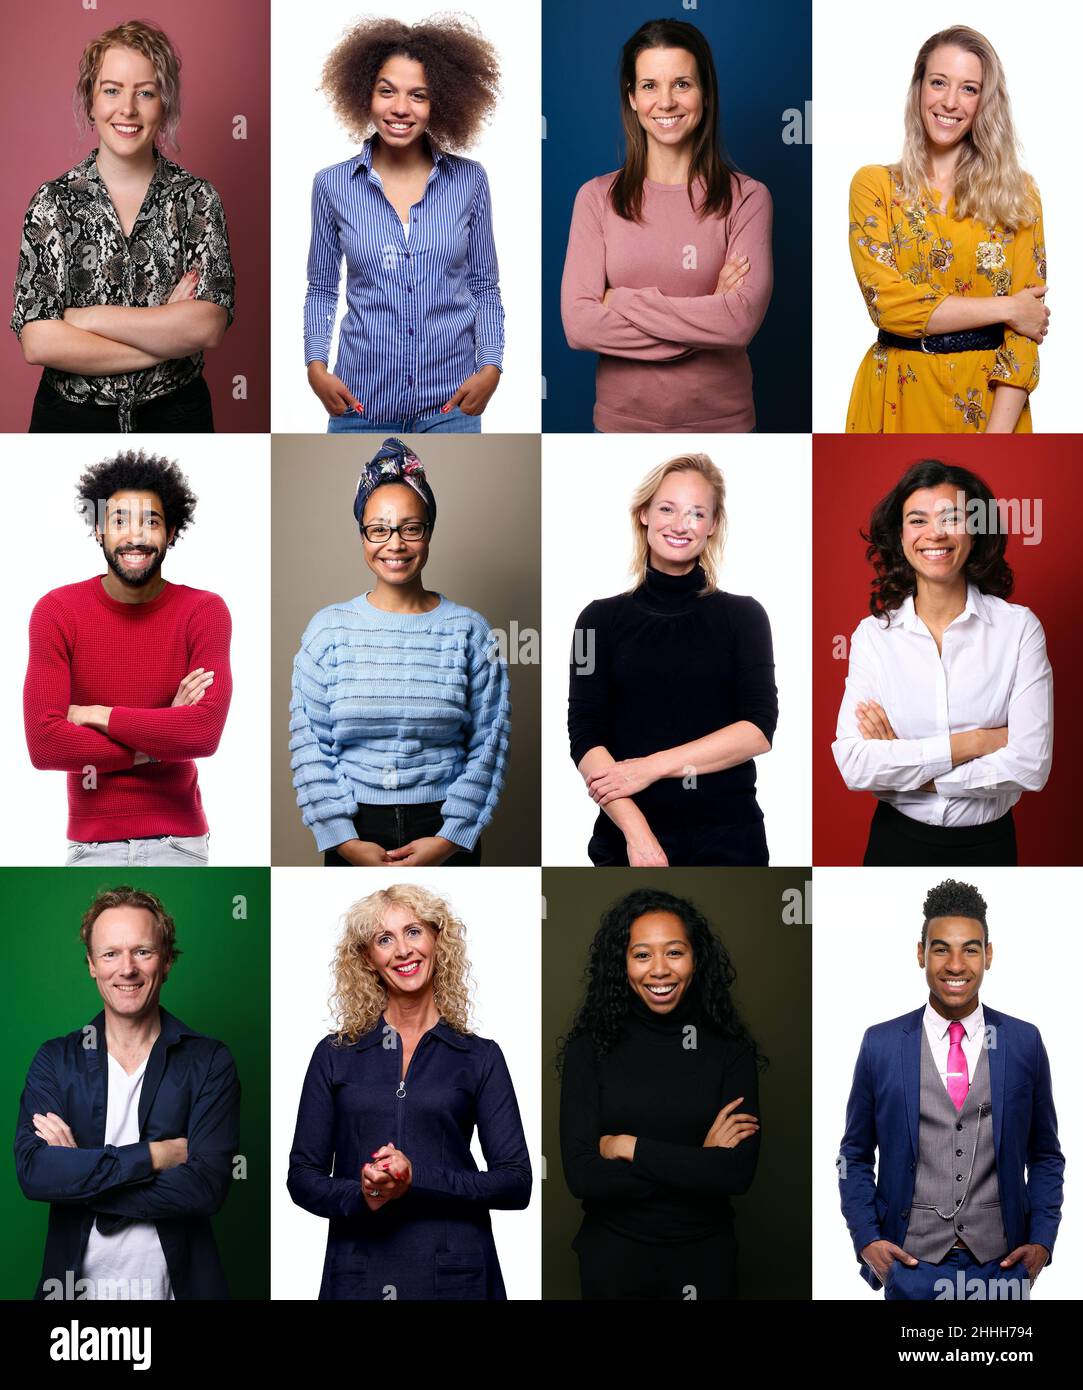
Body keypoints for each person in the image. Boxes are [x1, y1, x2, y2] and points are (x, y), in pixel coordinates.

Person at [287, 884, 532, 1300]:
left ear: (438, 940)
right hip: (358, 1272)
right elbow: (302, 1178)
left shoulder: (479, 1056)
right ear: (368, 959)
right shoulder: (334, 1055)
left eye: (414, 932)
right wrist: (362, 1192)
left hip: (456, 1276)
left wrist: (417, 1179)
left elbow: (516, 1183)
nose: (403, 950)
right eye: (384, 939)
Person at [837, 878, 1064, 1301]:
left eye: (971, 949)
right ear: (921, 953)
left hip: (1002, 1268)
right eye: (941, 948)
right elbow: (852, 1156)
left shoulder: (1023, 1042)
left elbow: (1046, 1155)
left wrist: (1043, 1242)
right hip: (910, 1266)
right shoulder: (881, 1044)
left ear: (989, 955)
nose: (955, 965)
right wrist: (866, 1238)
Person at [290, 437, 510, 866]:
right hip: (353, 828)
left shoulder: (470, 630)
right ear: (362, 535)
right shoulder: (327, 630)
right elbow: (310, 743)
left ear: (428, 533)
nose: (395, 543)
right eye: (379, 529)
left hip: (445, 826)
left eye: (411, 528)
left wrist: (451, 838)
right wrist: (342, 839)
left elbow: (490, 741)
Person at [14, 886, 241, 1300]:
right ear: (91, 965)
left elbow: (206, 1188)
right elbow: (35, 1174)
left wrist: (79, 1176)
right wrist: (155, 1156)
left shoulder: (209, 1061)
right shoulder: (55, 1060)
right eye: (110, 954)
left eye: (143, 952)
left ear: (168, 960)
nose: (127, 969)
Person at [11, 20, 234, 433]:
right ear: (91, 101)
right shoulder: (53, 202)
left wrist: (86, 318)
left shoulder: (196, 199)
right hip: (69, 419)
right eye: (112, 90)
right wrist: (164, 332)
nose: (127, 109)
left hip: (176, 415)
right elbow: (39, 340)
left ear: (163, 103)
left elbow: (207, 326)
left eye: (145, 93)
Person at [831, 459, 1052, 866]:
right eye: (917, 520)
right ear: (900, 536)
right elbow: (856, 765)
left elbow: (1030, 765)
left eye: (952, 518)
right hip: (895, 843)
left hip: (989, 846)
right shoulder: (873, 637)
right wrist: (976, 743)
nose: (935, 533)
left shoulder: (1018, 629)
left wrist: (909, 767)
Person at [560, 18, 772, 432]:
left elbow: (738, 323)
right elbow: (579, 325)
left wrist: (618, 301)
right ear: (633, 99)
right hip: (622, 423)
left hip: (722, 422)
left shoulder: (748, 197)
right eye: (650, 86)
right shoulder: (595, 198)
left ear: (705, 94)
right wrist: (706, 312)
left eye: (682, 84)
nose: (666, 102)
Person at [22, 450, 233, 867]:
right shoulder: (56, 611)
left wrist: (96, 713)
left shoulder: (204, 611)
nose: (135, 537)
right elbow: (45, 744)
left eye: (151, 523)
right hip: (90, 846)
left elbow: (203, 733)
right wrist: (157, 742)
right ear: (98, 532)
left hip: (180, 842)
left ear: (172, 531)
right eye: (119, 522)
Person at [568, 452, 777, 867]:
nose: (680, 525)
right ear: (643, 513)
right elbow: (584, 734)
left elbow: (758, 729)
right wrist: (637, 832)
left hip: (730, 838)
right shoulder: (594, 620)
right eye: (667, 508)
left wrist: (650, 768)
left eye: (697, 513)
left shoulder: (746, 616)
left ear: (713, 525)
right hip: (627, 836)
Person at [558, 888, 762, 1301]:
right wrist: (698, 1160)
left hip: (705, 1258)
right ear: (623, 962)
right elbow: (582, 1177)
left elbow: (736, 1174)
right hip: (613, 1258)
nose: (659, 971)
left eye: (674, 953)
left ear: (695, 958)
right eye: (642, 954)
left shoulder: (730, 1049)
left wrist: (627, 1146)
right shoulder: (589, 1048)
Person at [305, 17, 504, 434]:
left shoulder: (470, 181)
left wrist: (491, 365)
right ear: (365, 94)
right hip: (360, 404)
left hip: (451, 405)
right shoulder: (332, 185)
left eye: (419, 95)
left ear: (442, 103)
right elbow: (322, 288)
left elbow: (485, 286)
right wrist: (316, 366)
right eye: (386, 91)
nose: (400, 108)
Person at [846, 26, 1047, 434]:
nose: (950, 102)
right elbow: (887, 305)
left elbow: (1026, 337)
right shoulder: (874, 186)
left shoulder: (1018, 194)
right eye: (939, 82)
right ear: (919, 87)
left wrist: (995, 440)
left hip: (992, 405)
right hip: (893, 396)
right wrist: (1008, 308)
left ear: (984, 101)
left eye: (969, 88)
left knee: (981, 499)